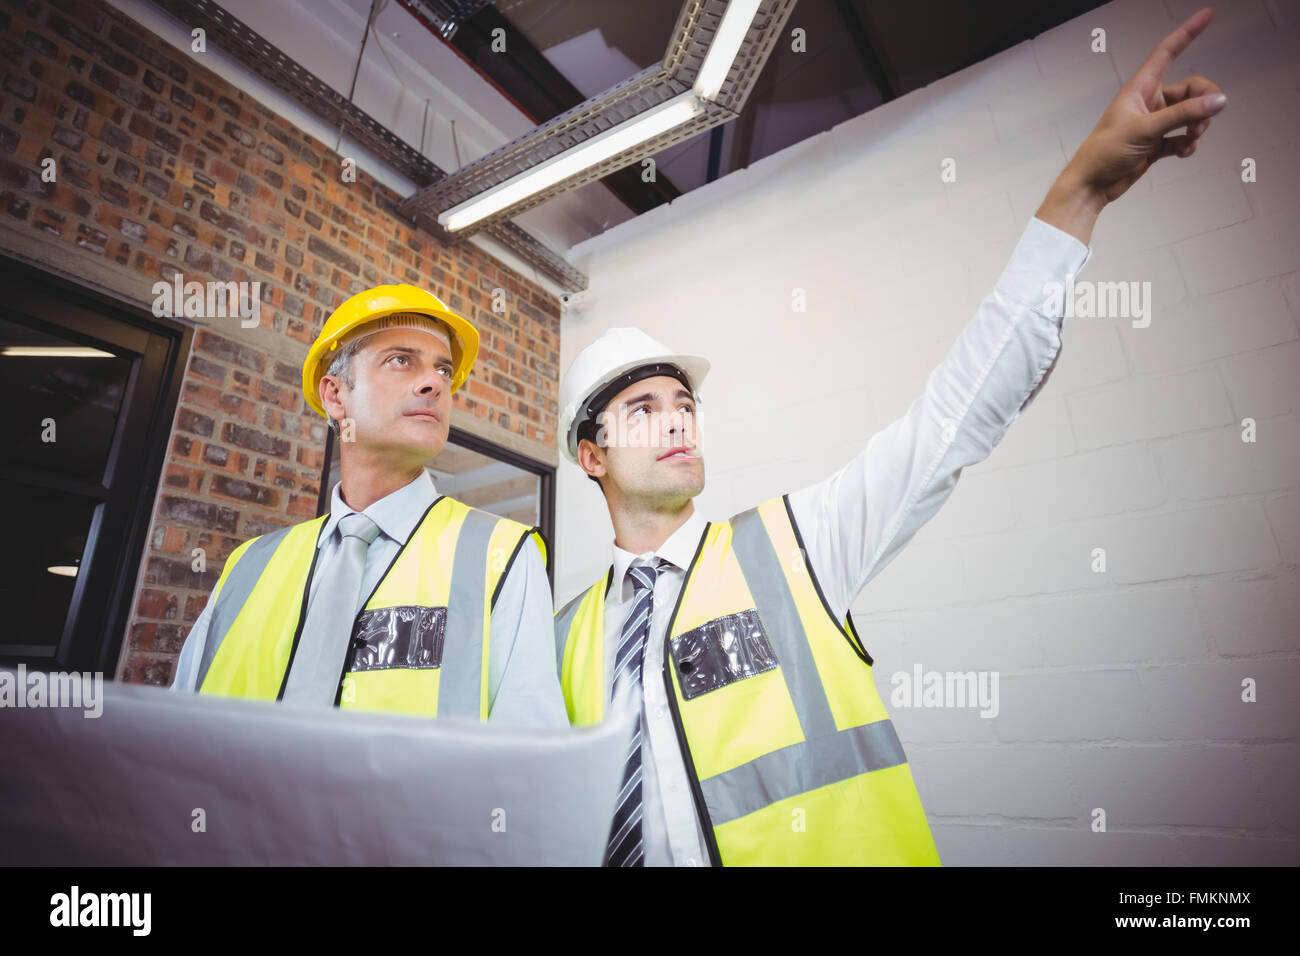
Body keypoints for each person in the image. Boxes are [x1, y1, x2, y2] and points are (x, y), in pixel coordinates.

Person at [553, 9, 1227, 864]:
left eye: (680, 400)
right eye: (642, 409)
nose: (677, 417)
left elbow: (952, 418)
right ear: (591, 455)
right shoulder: (563, 636)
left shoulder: (797, 547)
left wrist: (1077, 194)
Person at [171, 283, 567, 727]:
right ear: (336, 396)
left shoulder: (503, 554)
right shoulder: (247, 567)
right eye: (401, 360)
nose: (434, 382)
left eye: (443, 369)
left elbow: (528, 758)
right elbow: (180, 730)